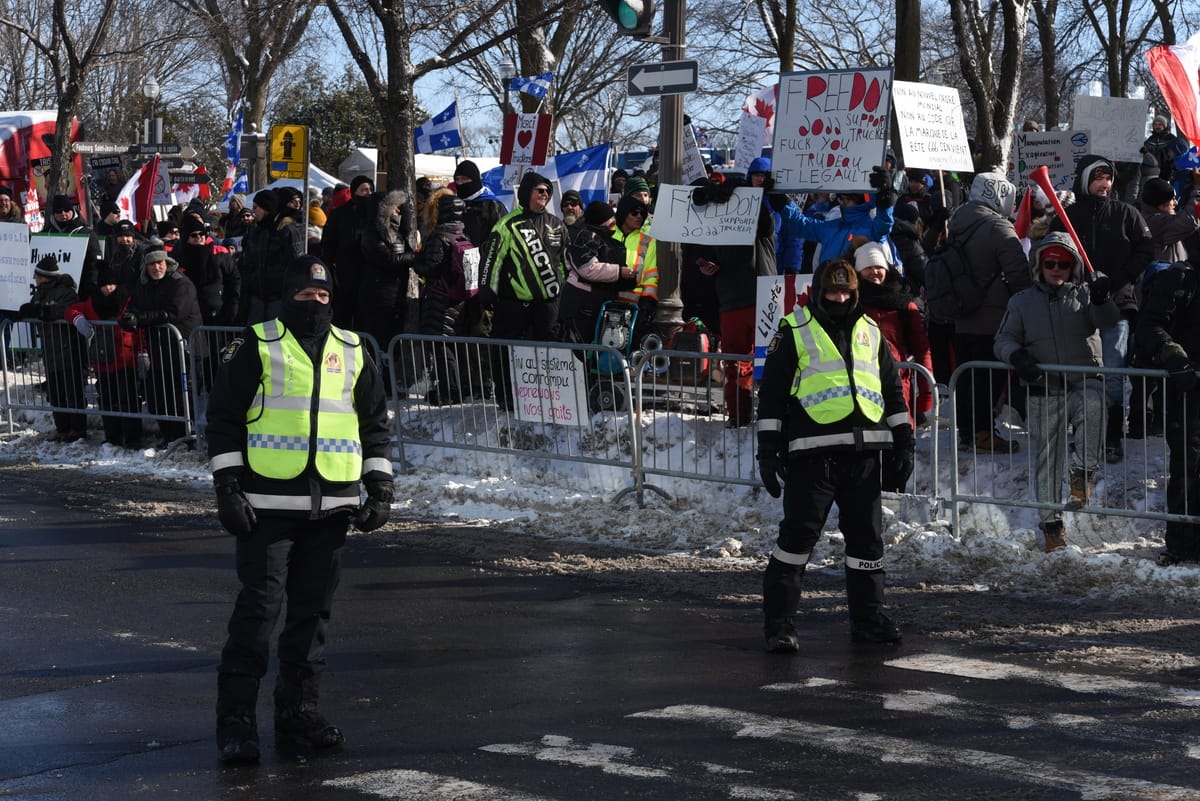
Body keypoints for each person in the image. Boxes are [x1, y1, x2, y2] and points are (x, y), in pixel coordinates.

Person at [206, 254, 393, 763]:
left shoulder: (353, 349)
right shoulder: (257, 343)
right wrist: (227, 486)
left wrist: (379, 488)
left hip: (332, 509)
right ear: (288, 295)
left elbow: (373, 424)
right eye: (306, 295)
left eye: (323, 295)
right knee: (258, 615)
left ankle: (298, 714)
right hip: (265, 508)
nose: (315, 303)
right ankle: (237, 723)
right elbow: (223, 417)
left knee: (312, 618)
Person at [756, 259, 913, 653]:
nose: (840, 298)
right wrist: (767, 452)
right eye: (832, 292)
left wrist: (904, 443)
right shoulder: (794, 330)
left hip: (864, 455)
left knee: (867, 544)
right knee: (796, 542)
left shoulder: (870, 330)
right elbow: (772, 397)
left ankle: (869, 620)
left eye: (846, 292)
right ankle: (780, 626)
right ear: (818, 292)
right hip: (813, 456)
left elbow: (892, 392)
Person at [994, 233, 1118, 551]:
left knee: (1093, 407)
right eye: (1050, 262)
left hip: (1083, 380)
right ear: (1039, 264)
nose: (1056, 269)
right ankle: (1051, 526)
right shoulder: (1021, 301)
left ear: (1073, 266)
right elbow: (1003, 340)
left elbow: (1107, 321)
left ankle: (1083, 474)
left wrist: (1104, 298)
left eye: (1063, 263)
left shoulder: (1087, 295)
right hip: (1044, 388)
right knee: (1047, 462)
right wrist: (1017, 356)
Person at [1051, 155, 1153, 463]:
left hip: (1117, 305)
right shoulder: (1067, 216)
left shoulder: (1127, 214)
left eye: (1108, 178)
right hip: (1078, 305)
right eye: (1098, 178)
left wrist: (1116, 280)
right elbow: (1053, 251)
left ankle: (1111, 435)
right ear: (1084, 180)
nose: (1105, 184)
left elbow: (1146, 249)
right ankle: (1085, 431)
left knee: (1111, 371)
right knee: (1082, 373)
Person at [946, 170, 1031, 453]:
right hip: (992, 316)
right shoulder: (998, 227)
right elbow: (1019, 274)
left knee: (967, 376)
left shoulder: (957, 221)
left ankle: (967, 432)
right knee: (988, 377)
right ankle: (983, 434)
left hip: (961, 313)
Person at [477, 170, 565, 407]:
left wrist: (562, 296)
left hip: (547, 306)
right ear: (527, 193)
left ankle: (548, 402)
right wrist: (487, 292)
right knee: (505, 352)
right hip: (513, 304)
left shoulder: (557, 224)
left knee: (548, 355)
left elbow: (564, 264)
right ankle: (507, 400)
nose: (545, 195)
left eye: (547, 191)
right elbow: (491, 260)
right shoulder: (506, 224)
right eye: (540, 190)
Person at [1135, 259, 1200, 565]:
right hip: (1189, 389)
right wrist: (1171, 353)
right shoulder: (1181, 277)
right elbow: (1149, 325)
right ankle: (1183, 544)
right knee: (1188, 465)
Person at [854, 242, 933, 490]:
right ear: (858, 271)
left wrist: (927, 392)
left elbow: (921, 349)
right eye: (868, 268)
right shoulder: (850, 302)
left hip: (899, 388)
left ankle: (894, 495)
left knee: (899, 451)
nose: (875, 273)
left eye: (878, 267)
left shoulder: (903, 302)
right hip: (860, 387)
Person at [119, 250, 203, 448]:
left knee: (182, 396)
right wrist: (130, 317)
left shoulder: (181, 283)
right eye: (152, 264)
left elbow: (175, 313)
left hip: (184, 347)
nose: (157, 267)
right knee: (160, 395)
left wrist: (141, 319)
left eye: (160, 263)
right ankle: (170, 437)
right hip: (159, 348)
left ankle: (187, 437)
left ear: (167, 263)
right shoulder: (144, 285)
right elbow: (136, 305)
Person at [64, 266, 142, 448]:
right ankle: (112, 437)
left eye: (112, 285)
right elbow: (70, 310)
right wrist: (78, 319)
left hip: (125, 358)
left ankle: (133, 437)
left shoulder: (128, 300)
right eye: (105, 285)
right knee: (107, 399)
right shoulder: (92, 303)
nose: (108, 288)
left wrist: (142, 352)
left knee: (128, 399)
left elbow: (139, 328)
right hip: (103, 360)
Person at [19, 256, 87, 441]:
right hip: (50, 348)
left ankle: (77, 428)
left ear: (45, 276)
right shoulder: (40, 293)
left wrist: (42, 312)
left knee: (72, 390)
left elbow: (66, 311)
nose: (35, 278)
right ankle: (62, 427)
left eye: (37, 275)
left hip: (69, 348)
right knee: (56, 391)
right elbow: (34, 309)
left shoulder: (66, 292)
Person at [557, 200, 636, 345]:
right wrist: (619, 272)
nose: (614, 226)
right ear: (600, 222)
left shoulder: (607, 240)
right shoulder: (586, 237)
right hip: (580, 305)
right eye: (611, 223)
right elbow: (587, 268)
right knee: (578, 351)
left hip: (598, 305)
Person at [241, 189, 306, 324]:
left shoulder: (286, 230)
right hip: (257, 298)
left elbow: (296, 263)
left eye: (256, 208)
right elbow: (247, 262)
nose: (253, 211)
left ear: (266, 208)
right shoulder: (255, 231)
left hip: (279, 298)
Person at [321, 175, 377, 328]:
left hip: (369, 274)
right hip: (345, 274)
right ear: (354, 192)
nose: (368, 193)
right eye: (364, 190)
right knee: (343, 315)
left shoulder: (375, 213)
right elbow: (328, 243)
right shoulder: (339, 214)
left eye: (371, 189)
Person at [44, 194, 102, 298]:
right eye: (59, 211)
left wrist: (92, 286)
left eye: (66, 210)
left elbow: (95, 262)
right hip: (53, 291)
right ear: (53, 214)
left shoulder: (86, 233)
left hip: (81, 288)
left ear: (72, 210)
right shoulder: (46, 234)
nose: (63, 214)